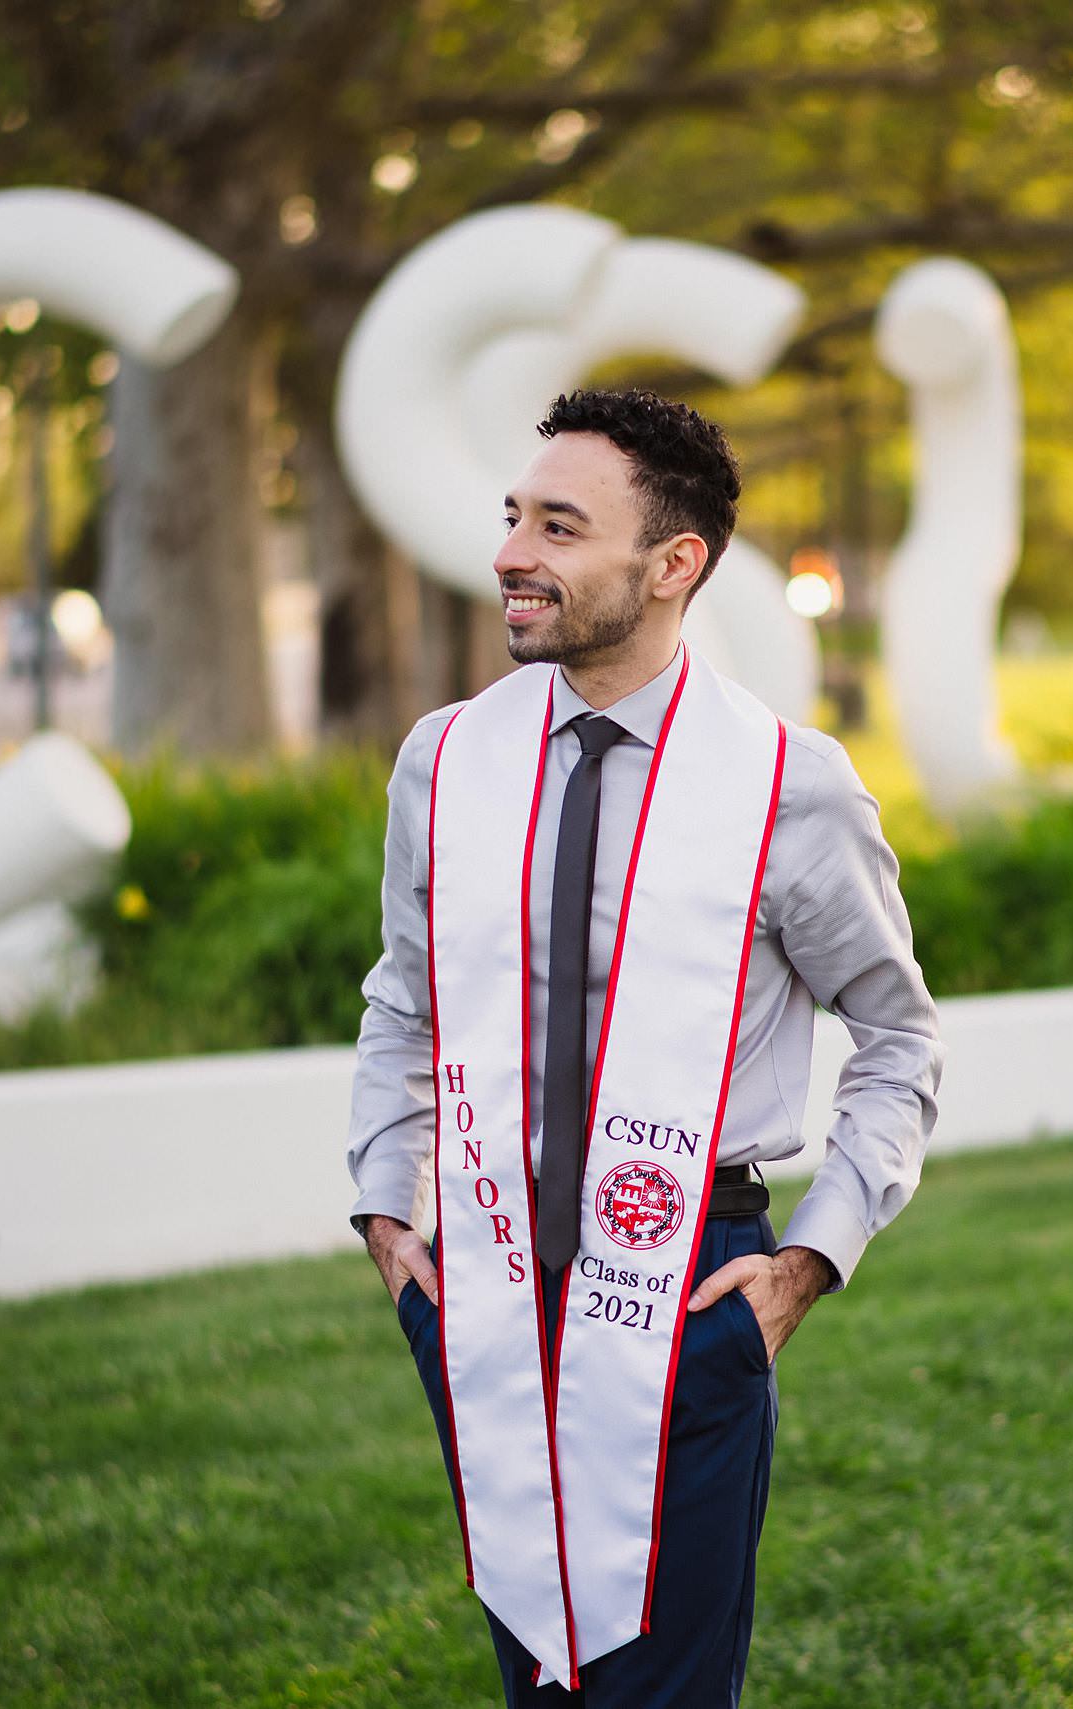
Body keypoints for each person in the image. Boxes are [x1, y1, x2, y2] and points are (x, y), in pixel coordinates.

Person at [346, 387, 944, 1706]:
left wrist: (810, 1260)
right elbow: (406, 999)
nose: (511, 553)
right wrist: (391, 1221)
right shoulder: (445, 761)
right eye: (515, 517)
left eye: (559, 528)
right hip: (484, 1281)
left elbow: (898, 1038)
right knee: (540, 1682)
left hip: (692, 1289)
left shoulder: (788, 786)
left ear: (674, 564)